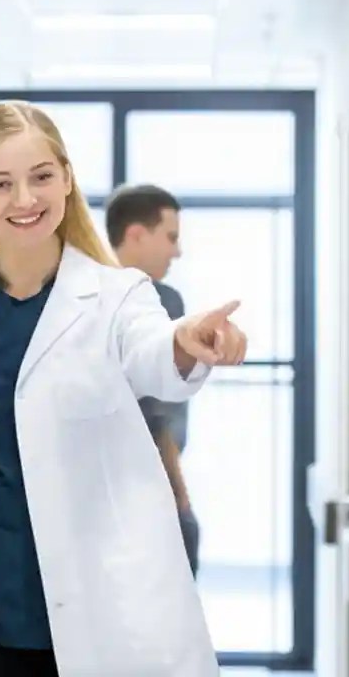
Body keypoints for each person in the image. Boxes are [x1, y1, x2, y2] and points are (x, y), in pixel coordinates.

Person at [0, 100, 247, 677]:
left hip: (98, 628)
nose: (25, 200)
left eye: (41, 177)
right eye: (0, 183)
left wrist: (187, 340)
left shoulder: (118, 297)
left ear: (66, 179)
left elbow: (152, 352)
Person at [104, 184, 199, 576]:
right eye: (171, 237)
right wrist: (179, 497)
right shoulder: (159, 301)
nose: (176, 251)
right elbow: (156, 415)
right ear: (136, 235)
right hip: (134, 488)